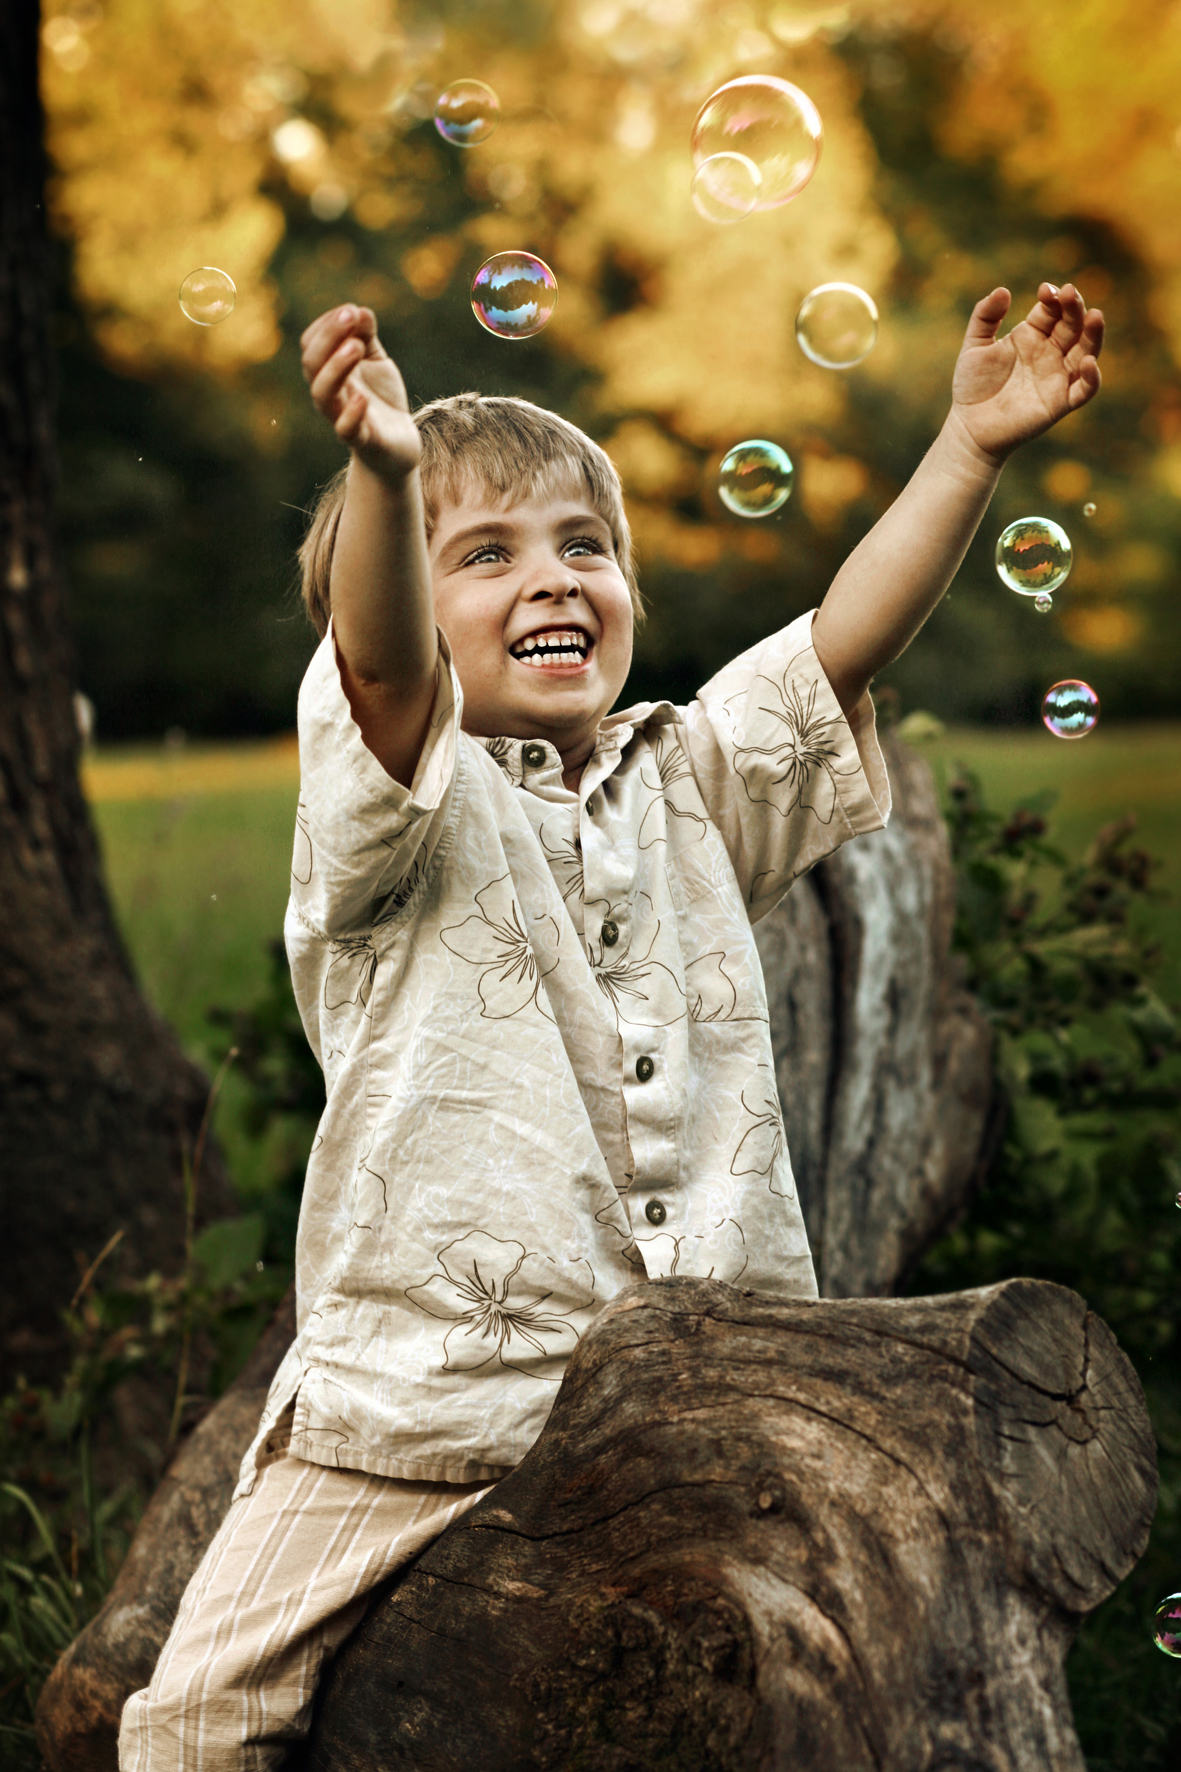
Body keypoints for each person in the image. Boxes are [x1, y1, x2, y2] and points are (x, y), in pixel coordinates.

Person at [119, 281, 1103, 1767]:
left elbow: (841, 645)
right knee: (190, 1724)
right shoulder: (393, 808)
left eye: (587, 544)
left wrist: (968, 444)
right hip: (426, 1408)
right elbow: (387, 666)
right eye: (489, 554)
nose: (555, 576)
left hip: (707, 1392)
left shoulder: (684, 784)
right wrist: (385, 476)